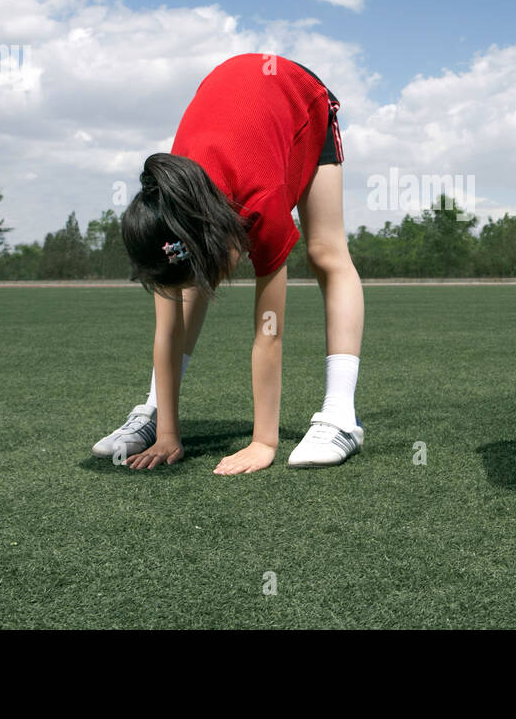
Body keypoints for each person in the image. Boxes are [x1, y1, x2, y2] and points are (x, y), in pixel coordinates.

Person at [92, 53, 366, 473]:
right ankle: (155, 410)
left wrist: (263, 442)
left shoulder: (263, 202)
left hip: (298, 98)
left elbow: (268, 333)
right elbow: (168, 329)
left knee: (325, 253)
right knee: (182, 288)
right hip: (232, 101)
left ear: (226, 239)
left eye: (209, 273)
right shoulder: (167, 213)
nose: (208, 288)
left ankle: (341, 417)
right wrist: (168, 434)